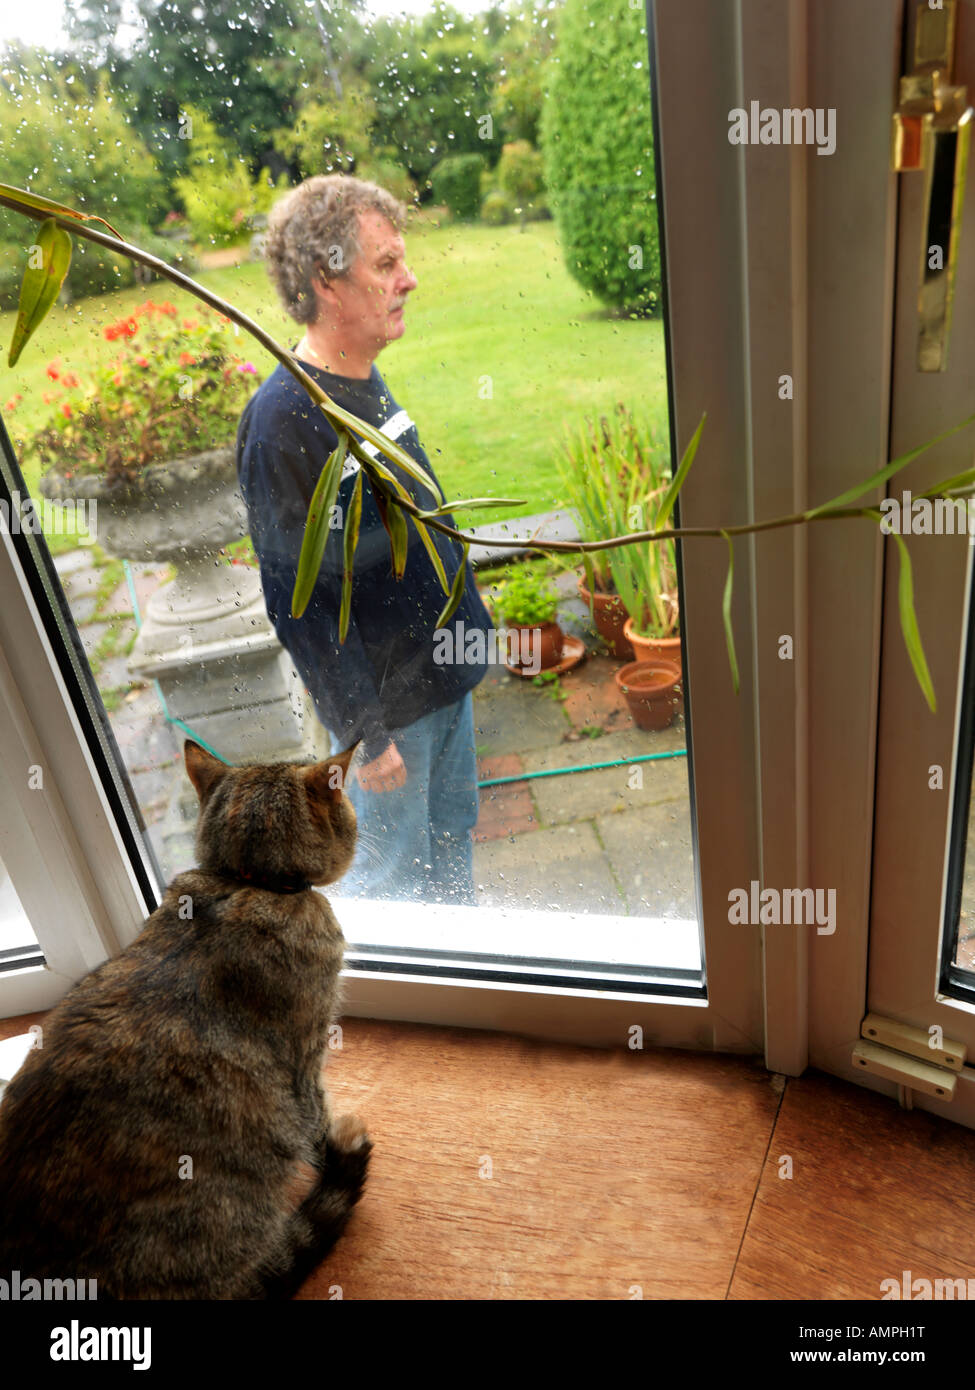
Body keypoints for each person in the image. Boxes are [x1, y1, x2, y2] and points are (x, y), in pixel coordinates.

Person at [236, 174, 491, 905]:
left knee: (450, 837)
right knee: (387, 880)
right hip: (389, 714)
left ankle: (467, 985)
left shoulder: (363, 380)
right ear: (327, 281)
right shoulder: (285, 420)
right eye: (385, 265)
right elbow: (296, 602)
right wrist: (364, 736)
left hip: (444, 680)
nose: (408, 279)